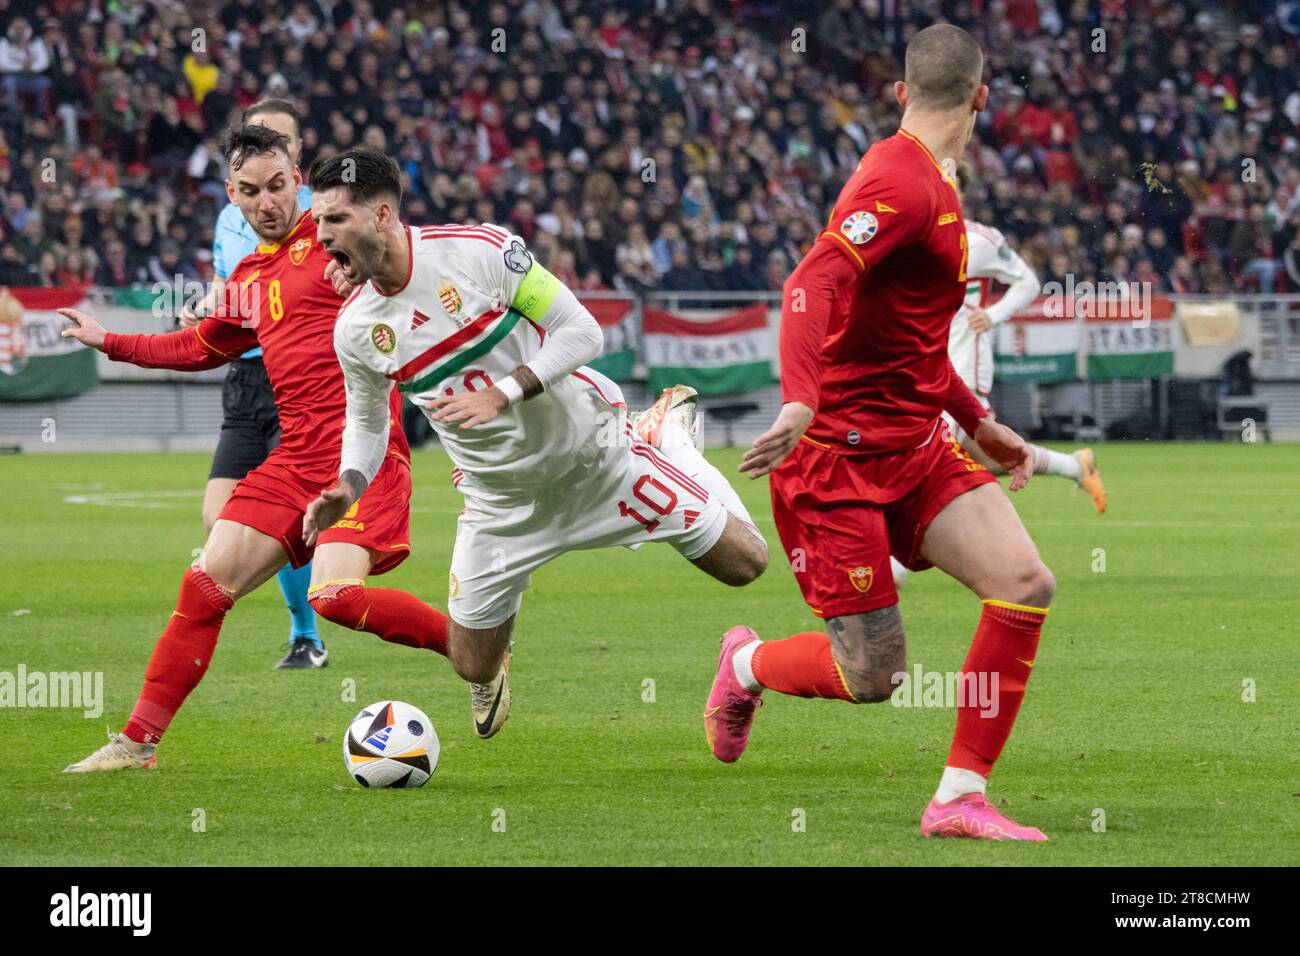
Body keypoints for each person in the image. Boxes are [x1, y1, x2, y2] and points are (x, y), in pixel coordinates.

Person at [302, 146, 768, 735]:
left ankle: (665, 438)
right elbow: (367, 423)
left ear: (383, 215)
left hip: (599, 461)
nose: (320, 236)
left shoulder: (478, 251)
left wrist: (502, 392)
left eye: (335, 219)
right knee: (470, 661)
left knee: (747, 565)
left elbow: (582, 330)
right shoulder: (355, 329)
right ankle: (499, 625)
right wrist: (348, 486)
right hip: (501, 507)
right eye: (317, 221)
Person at [720, 24, 1054, 841]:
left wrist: (979, 422)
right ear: (983, 96)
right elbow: (810, 282)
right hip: (835, 461)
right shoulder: (901, 182)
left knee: (1025, 583)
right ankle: (745, 665)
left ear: (902, 92)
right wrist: (800, 399)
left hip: (917, 448)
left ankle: (958, 799)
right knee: (874, 677)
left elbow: (905, 339)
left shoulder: (934, 178)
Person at [58, 125, 455, 772]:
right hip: (295, 456)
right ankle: (136, 744)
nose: (268, 201)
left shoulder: (339, 242)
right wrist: (110, 340)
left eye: (279, 185)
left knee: (338, 598)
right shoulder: (250, 273)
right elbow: (199, 347)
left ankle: (473, 647)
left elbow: (413, 291)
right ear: (232, 196)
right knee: (205, 587)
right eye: (251, 191)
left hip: (362, 451)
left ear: (299, 178)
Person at [891, 164, 1107, 587]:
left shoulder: (981, 241)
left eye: (949, 187)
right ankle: (1075, 465)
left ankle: (892, 567)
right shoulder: (909, 236)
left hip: (962, 369)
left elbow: (1027, 281)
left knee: (924, 451)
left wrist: (992, 315)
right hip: (924, 366)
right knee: (989, 456)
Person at [179, 99, 324, 669]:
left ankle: (305, 634)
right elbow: (226, 284)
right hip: (243, 378)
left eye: (281, 143)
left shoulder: (320, 212)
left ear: (296, 155)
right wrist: (203, 311)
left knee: (282, 511)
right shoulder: (230, 217)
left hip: (294, 375)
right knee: (217, 515)